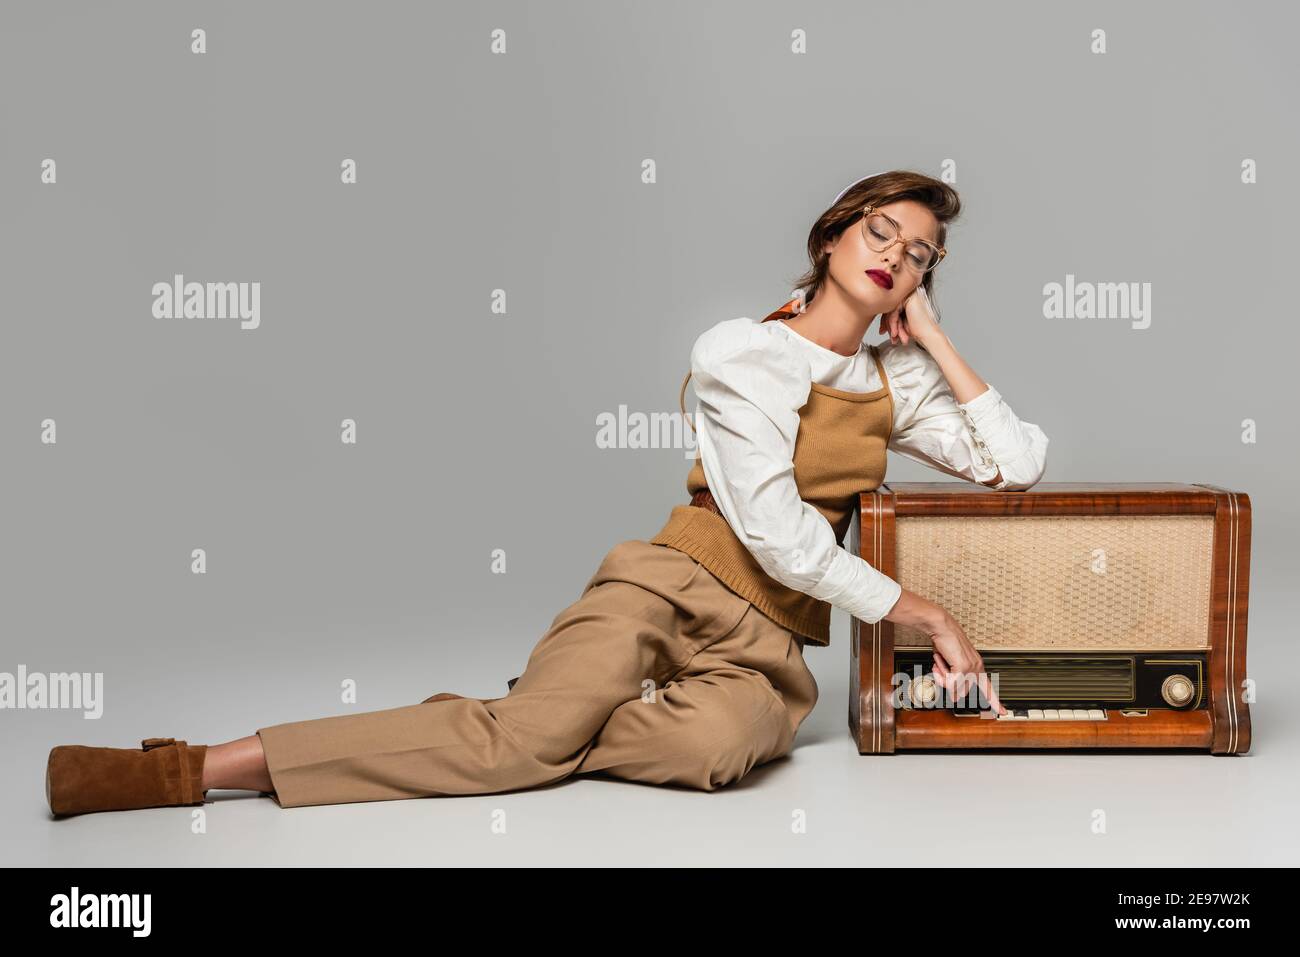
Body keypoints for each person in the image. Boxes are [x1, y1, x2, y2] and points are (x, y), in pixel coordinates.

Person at [45, 169, 1047, 816]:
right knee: (517, 741)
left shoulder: (893, 379)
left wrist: (942, 345)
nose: (894, 256)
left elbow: (1016, 466)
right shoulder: (742, 354)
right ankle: (189, 769)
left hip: (772, 647)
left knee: (712, 751)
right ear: (832, 238)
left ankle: (532, 728)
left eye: (918, 254)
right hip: (671, 585)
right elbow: (779, 533)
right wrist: (910, 607)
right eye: (880, 231)